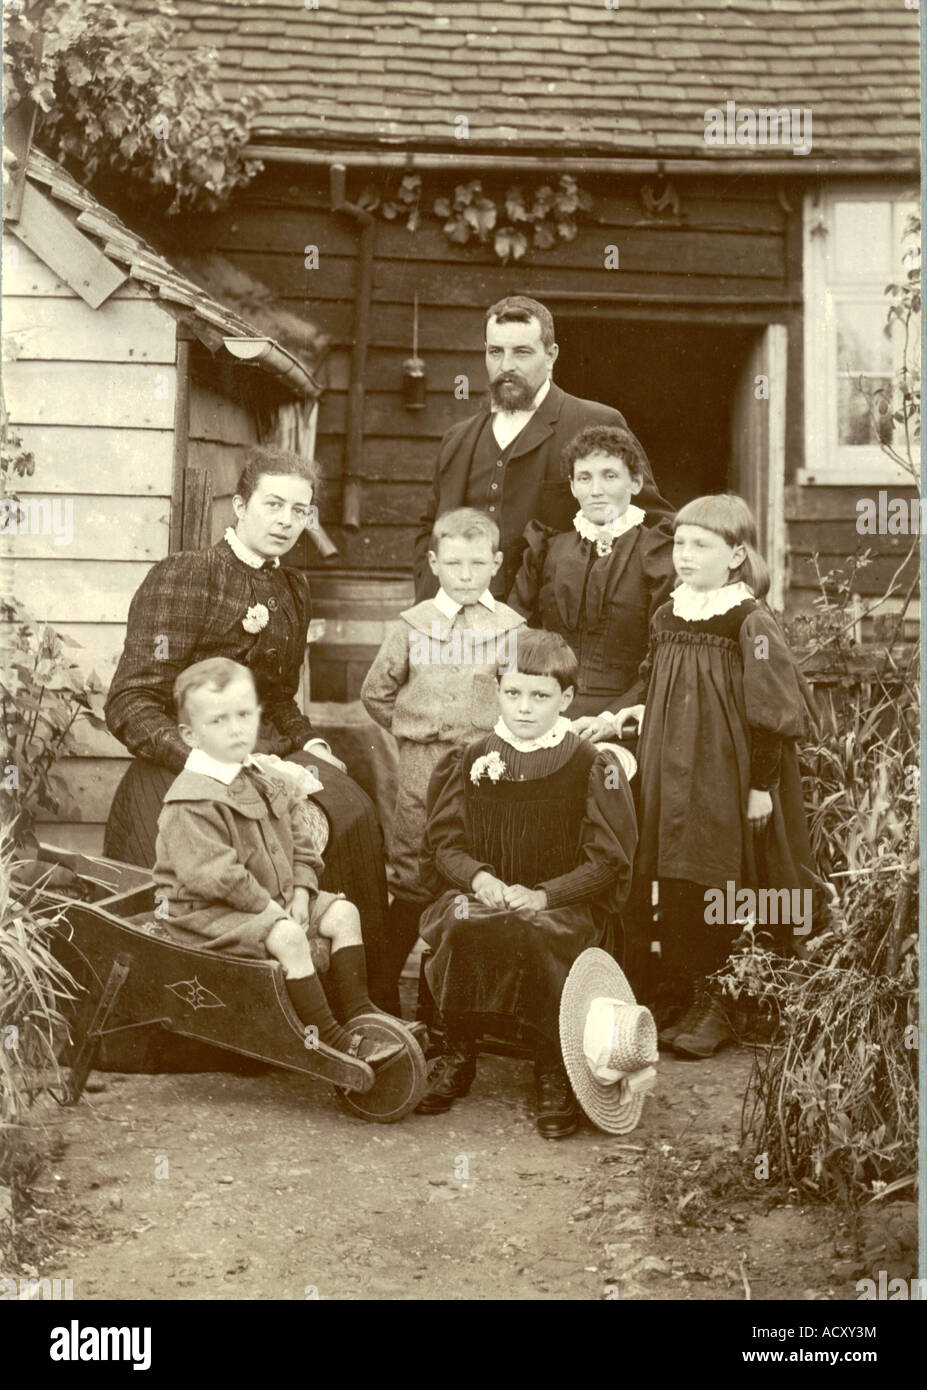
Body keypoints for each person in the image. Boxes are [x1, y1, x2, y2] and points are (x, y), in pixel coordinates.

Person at [103, 446, 393, 1006]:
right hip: (185, 758)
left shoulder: (293, 589)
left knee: (354, 808)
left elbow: (279, 696)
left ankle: (351, 1005)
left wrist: (309, 741)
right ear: (240, 506)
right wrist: (205, 761)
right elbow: (130, 701)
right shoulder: (187, 576)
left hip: (270, 753)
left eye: (300, 510)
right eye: (273, 505)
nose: (287, 521)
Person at [614, 494, 818, 1059]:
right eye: (680, 543)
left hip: (728, 775)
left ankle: (729, 1003)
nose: (684, 555)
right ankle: (688, 989)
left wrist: (760, 787)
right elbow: (654, 678)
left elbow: (773, 712)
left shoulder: (748, 620)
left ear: (735, 555)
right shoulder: (668, 612)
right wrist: (634, 710)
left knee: (725, 878)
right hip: (670, 768)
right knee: (676, 876)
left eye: (701, 545)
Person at [416, 629, 638, 1138]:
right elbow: (443, 845)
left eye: (540, 697)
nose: (524, 708)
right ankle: (458, 1050)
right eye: (513, 693)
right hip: (486, 895)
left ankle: (553, 1064)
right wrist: (478, 877)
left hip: (561, 900)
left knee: (538, 929)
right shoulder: (471, 759)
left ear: (565, 699)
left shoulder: (590, 765)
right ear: (497, 690)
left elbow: (609, 861)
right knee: (463, 920)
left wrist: (544, 894)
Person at [153, 658, 401, 1070]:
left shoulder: (262, 775)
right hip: (206, 914)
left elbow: (300, 839)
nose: (236, 729)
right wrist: (272, 910)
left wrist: (302, 889)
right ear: (190, 735)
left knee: (344, 913)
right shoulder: (191, 800)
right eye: (219, 721)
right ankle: (331, 1038)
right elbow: (215, 876)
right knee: (288, 937)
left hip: (272, 897)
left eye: (244, 715)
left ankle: (359, 1013)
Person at [360, 508, 525, 1014]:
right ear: (434, 563)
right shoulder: (413, 627)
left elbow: (520, 696)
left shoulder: (510, 629)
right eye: (455, 563)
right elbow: (376, 693)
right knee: (414, 872)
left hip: (483, 769)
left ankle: (441, 1009)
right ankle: (380, 992)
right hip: (420, 769)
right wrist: (414, 734)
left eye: (478, 563)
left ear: (496, 563)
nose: (467, 574)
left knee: (464, 872)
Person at [413, 295, 673, 603]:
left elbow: (651, 522)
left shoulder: (595, 421)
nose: (506, 366)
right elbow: (430, 530)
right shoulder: (458, 438)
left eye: (522, 352)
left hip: (549, 629)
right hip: (458, 626)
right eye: (496, 352)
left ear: (550, 356)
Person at [508, 423, 675, 736]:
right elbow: (513, 633)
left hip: (630, 718)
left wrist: (613, 719)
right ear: (572, 486)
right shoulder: (546, 549)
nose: (596, 490)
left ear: (636, 482)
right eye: (584, 478)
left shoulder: (658, 553)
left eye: (609, 476)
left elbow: (667, 654)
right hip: (543, 715)